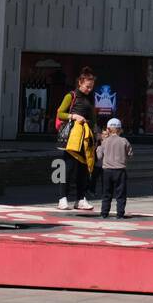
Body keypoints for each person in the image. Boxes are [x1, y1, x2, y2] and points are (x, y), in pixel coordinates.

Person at [57, 68, 97, 210]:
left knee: (83, 171)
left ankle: (80, 198)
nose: (89, 89)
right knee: (68, 169)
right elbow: (60, 113)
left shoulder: (90, 98)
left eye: (91, 87)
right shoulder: (71, 96)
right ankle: (63, 198)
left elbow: (93, 118)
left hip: (86, 139)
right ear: (80, 83)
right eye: (87, 86)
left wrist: (96, 134)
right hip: (72, 138)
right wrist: (74, 116)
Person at [95, 118, 132, 219]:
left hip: (106, 170)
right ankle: (120, 214)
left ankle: (104, 213)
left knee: (106, 193)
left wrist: (99, 146)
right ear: (120, 129)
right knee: (121, 194)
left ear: (108, 129)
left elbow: (99, 157)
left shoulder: (105, 142)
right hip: (120, 170)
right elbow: (130, 155)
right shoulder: (124, 141)